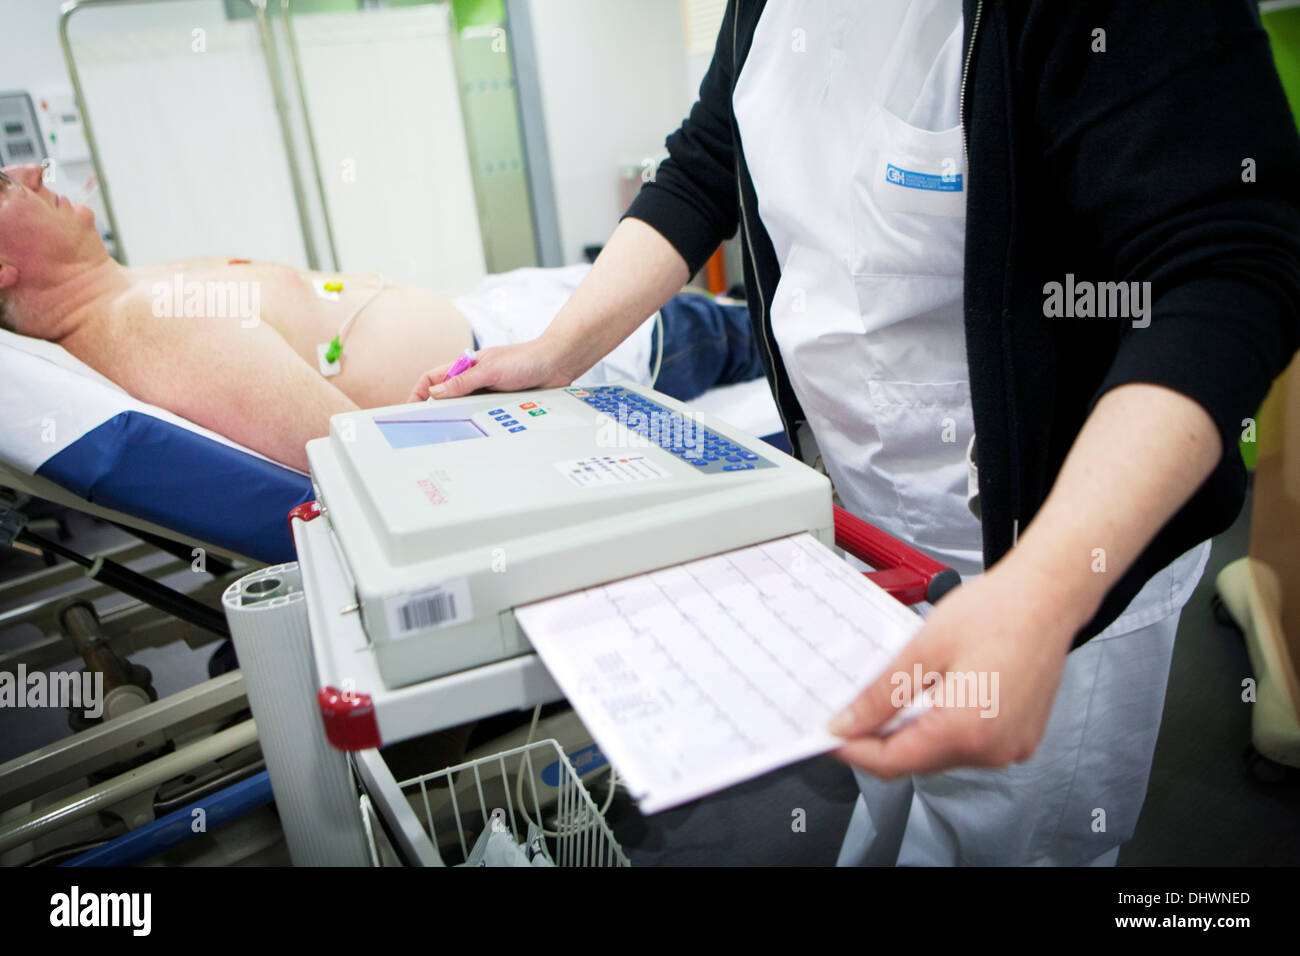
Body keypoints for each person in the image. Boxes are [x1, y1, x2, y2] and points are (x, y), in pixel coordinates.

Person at [412, 0, 1300, 865]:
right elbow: (705, 164)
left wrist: (1045, 592)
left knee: (1004, 834)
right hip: (868, 527)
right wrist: (555, 352)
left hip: (1061, 543)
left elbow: (1225, 268)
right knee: (887, 788)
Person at [0, 162, 763, 473]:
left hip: (508, 317)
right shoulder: (150, 323)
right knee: (763, 332)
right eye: (4, 187)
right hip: (537, 361)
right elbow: (357, 457)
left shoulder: (133, 298)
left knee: (734, 312)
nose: (31, 171)